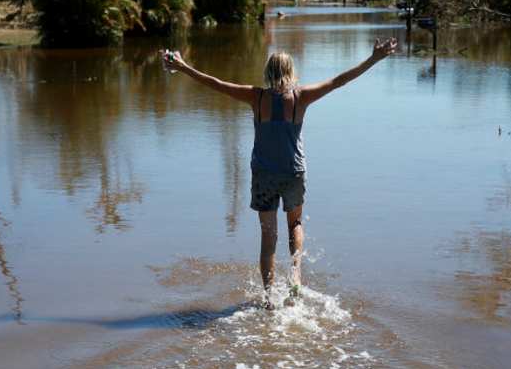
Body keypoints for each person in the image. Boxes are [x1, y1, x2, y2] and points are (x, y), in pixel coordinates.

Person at [162, 37, 398, 309]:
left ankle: (268, 297)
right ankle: (295, 274)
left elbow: (215, 84)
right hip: (293, 172)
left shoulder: (255, 96)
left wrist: (182, 67)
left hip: (264, 174)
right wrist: (373, 59)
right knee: (295, 224)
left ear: (267, 72)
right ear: (291, 73)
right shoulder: (301, 97)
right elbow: (339, 80)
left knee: (268, 235)